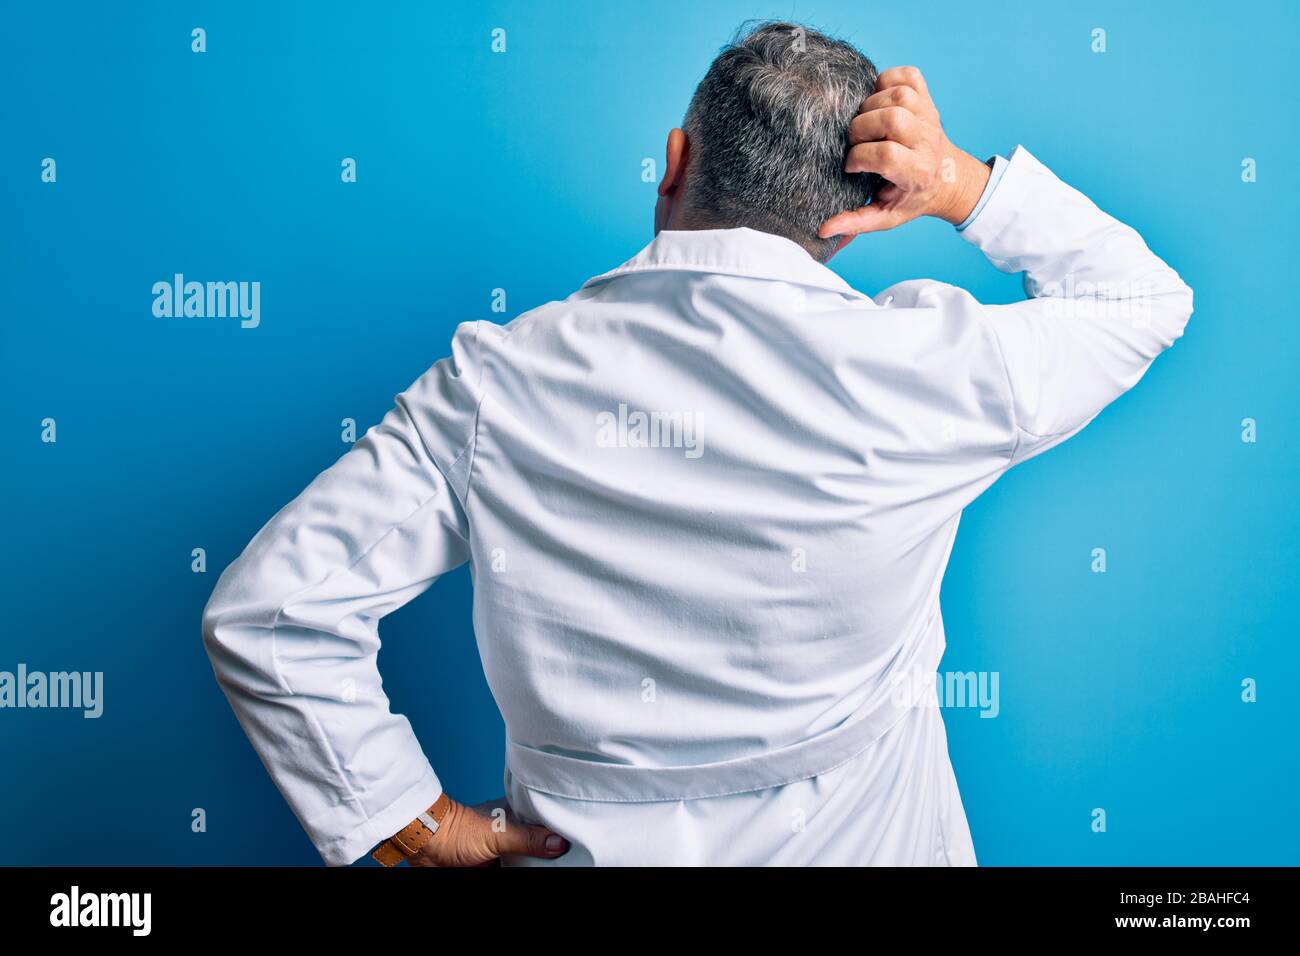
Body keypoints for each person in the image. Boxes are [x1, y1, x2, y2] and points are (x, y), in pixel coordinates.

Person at [201, 21, 1193, 867]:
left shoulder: (493, 383)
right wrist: (961, 184)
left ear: (674, 164)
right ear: (850, 219)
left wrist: (403, 821)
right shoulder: (927, 371)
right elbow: (1144, 299)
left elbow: (271, 611)